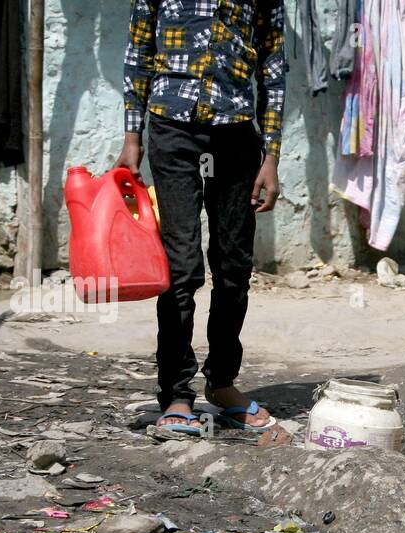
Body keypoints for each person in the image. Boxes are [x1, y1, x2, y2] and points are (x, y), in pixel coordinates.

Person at [116, 0, 287, 435]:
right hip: (172, 129)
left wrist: (271, 156)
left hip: (236, 135)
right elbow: (138, 53)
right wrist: (132, 137)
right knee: (180, 268)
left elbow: (272, 67)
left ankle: (223, 383)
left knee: (234, 266)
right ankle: (175, 394)